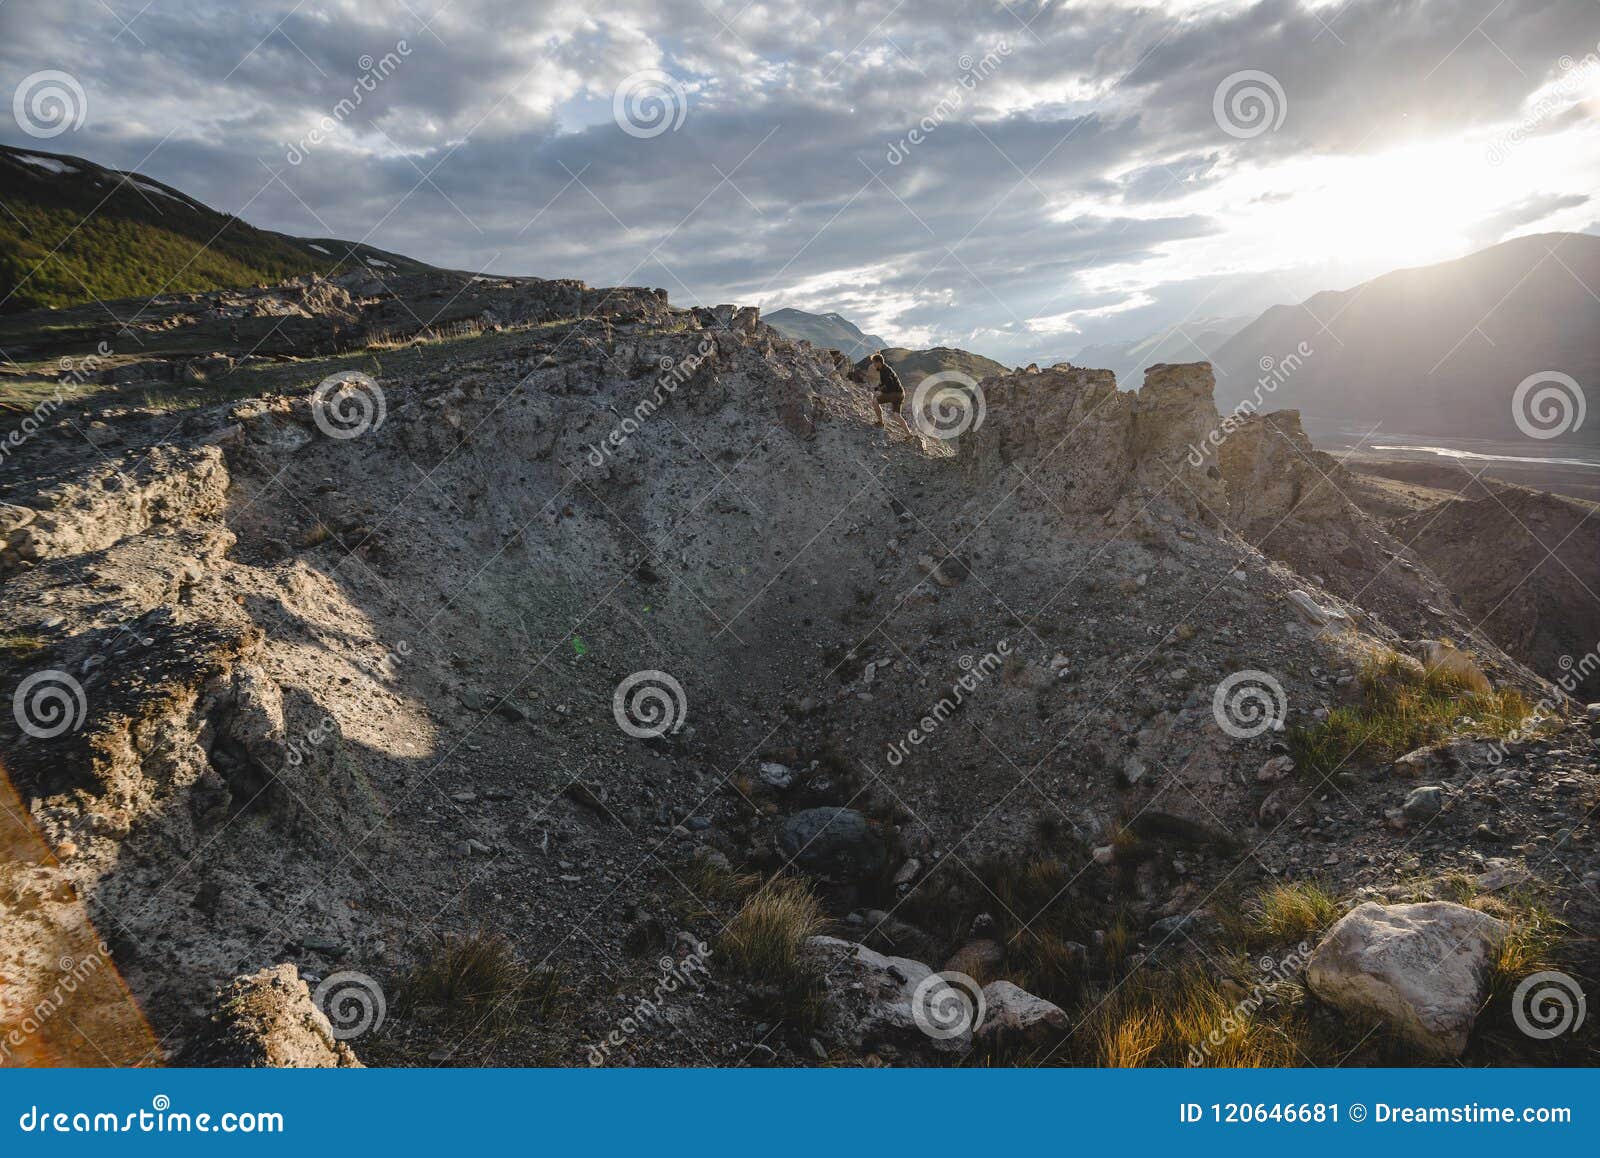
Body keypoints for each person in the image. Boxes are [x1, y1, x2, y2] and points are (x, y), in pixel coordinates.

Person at [866, 352, 913, 436]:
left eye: (874, 362)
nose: (873, 365)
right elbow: (885, 384)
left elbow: (888, 385)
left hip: (894, 394)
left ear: (878, 362)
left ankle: (880, 422)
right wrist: (877, 389)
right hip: (900, 394)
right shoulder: (885, 369)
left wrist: (879, 392)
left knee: (875, 401)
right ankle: (909, 435)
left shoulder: (885, 371)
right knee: (896, 415)